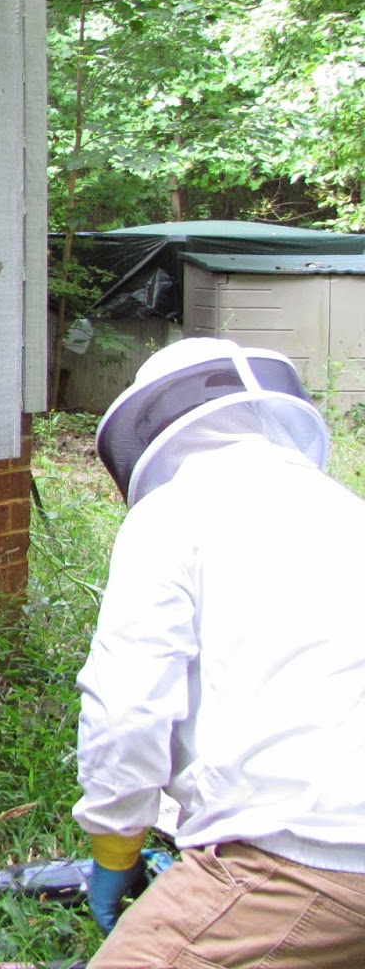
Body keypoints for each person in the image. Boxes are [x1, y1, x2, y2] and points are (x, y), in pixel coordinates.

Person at [75, 336, 365, 966]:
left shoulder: (171, 516)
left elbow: (125, 708)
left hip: (309, 855)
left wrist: (116, 846)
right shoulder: (350, 512)